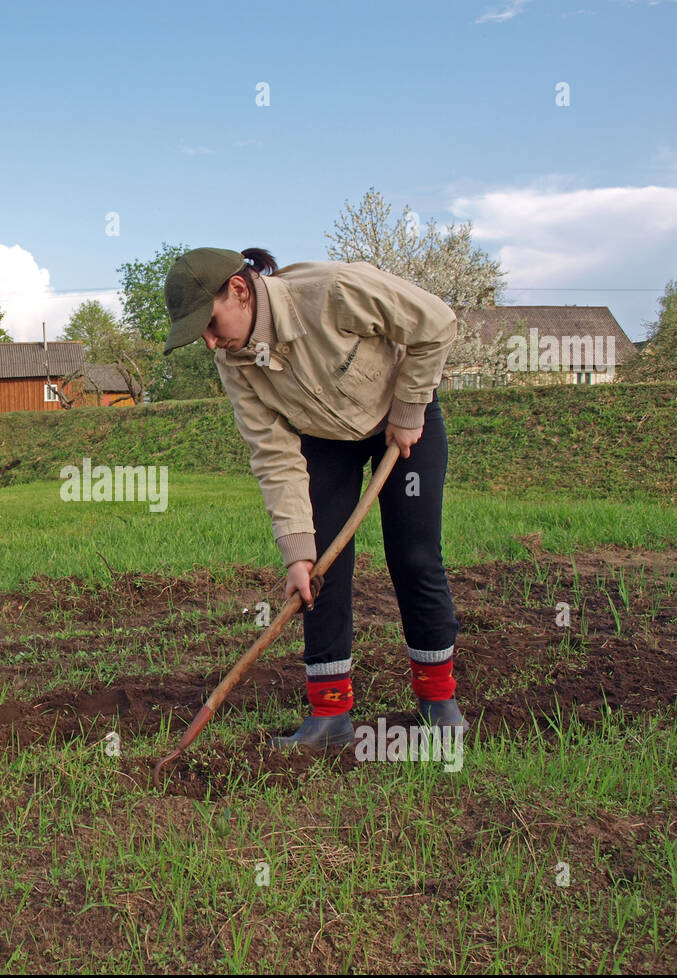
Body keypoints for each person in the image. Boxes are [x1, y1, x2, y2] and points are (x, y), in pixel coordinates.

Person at [161, 247, 467, 751]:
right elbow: (273, 453)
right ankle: (330, 717)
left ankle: (439, 703)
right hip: (324, 441)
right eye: (202, 336)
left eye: (211, 324)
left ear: (239, 290)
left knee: (413, 556)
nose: (211, 342)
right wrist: (296, 550)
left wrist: (411, 406)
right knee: (321, 571)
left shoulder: (332, 291)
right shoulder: (235, 362)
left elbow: (435, 322)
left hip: (402, 422)